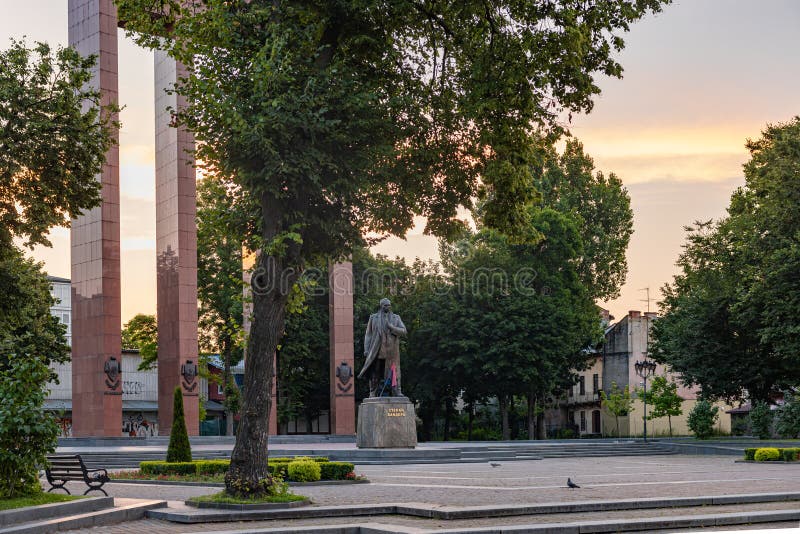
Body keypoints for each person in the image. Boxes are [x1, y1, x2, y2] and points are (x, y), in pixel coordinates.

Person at [358, 298, 407, 397]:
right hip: (377, 350)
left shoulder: (396, 318)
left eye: (389, 305)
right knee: (375, 373)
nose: (388, 307)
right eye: (385, 305)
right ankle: (373, 392)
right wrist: (366, 350)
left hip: (391, 351)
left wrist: (392, 327)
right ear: (381, 306)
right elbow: (368, 335)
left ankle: (397, 391)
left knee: (394, 372)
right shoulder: (373, 318)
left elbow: (404, 331)